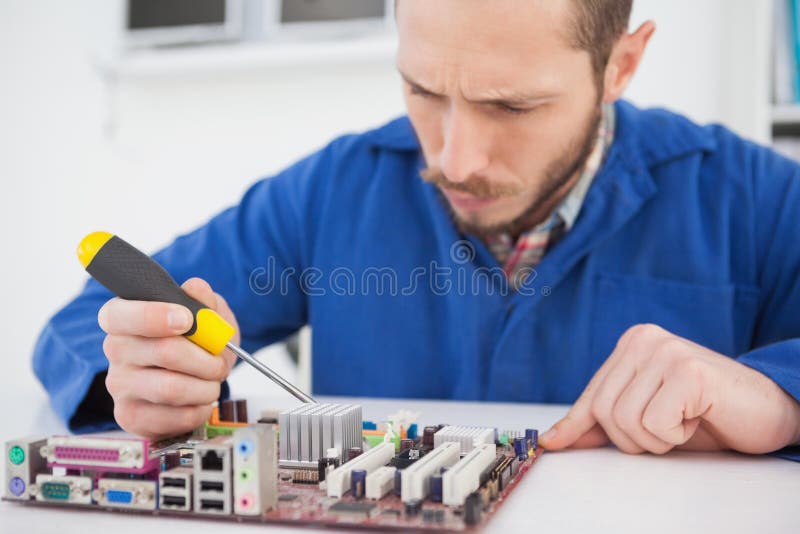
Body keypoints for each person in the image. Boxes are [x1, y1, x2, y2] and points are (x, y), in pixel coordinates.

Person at [34, 0, 800, 458]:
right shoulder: (335, 189)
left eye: (512, 106)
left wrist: (777, 397)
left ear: (621, 65)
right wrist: (144, 377)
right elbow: (78, 324)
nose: (453, 158)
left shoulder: (758, 199)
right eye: (422, 89)